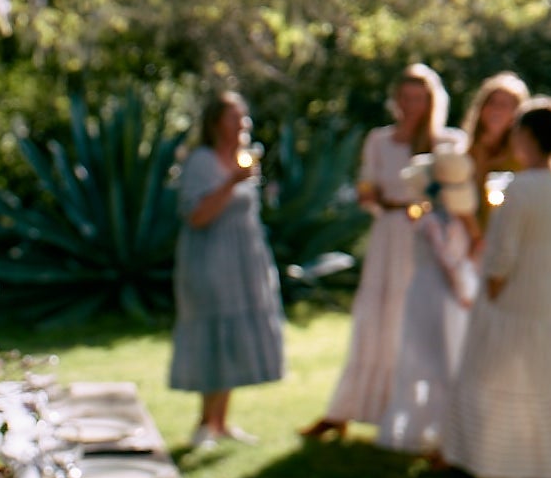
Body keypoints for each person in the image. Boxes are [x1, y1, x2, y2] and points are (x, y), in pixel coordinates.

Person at [443, 97, 551, 478]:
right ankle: (544, 471)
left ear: (525, 137)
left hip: (512, 296)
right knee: (545, 379)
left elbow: (501, 253)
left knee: (481, 374)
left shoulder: (519, 188)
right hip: (550, 293)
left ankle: (468, 467)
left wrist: (491, 287)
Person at [302, 64, 449, 440]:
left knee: (412, 316)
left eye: (419, 99)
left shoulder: (446, 143)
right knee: (376, 316)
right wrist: (374, 199)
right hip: (388, 234)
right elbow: (367, 187)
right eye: (405, 98)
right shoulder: (379, 141)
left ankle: (412, 412)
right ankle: (351, 406)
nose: (411, 106)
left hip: (425, 236)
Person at [170, 89, 285, 449]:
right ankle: (204, 422)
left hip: (244, 260)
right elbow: (197, 215)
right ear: (216, 123)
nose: (242, 124)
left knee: (235, 334)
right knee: (213, 334)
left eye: (244, 117)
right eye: (234, 118)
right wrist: (232, 181)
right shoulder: (202, 162)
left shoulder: (243, 158)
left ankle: (221, 421)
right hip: (210, 261)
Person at [379, 136, 478, 463]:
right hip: (436, 292)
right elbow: (445, 261)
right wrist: (463, 290)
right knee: (438, 359)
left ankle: (439, 431)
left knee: (440, 357)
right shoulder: (433, 221)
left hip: (433, 290)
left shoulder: (438, 220)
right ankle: (436, 432)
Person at [463, 70, 529, 235]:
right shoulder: (468, 152)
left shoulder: (523, 157)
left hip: (510, 236)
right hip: (469, 238)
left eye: (504, 105)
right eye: (492, 103)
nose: (496, 110)